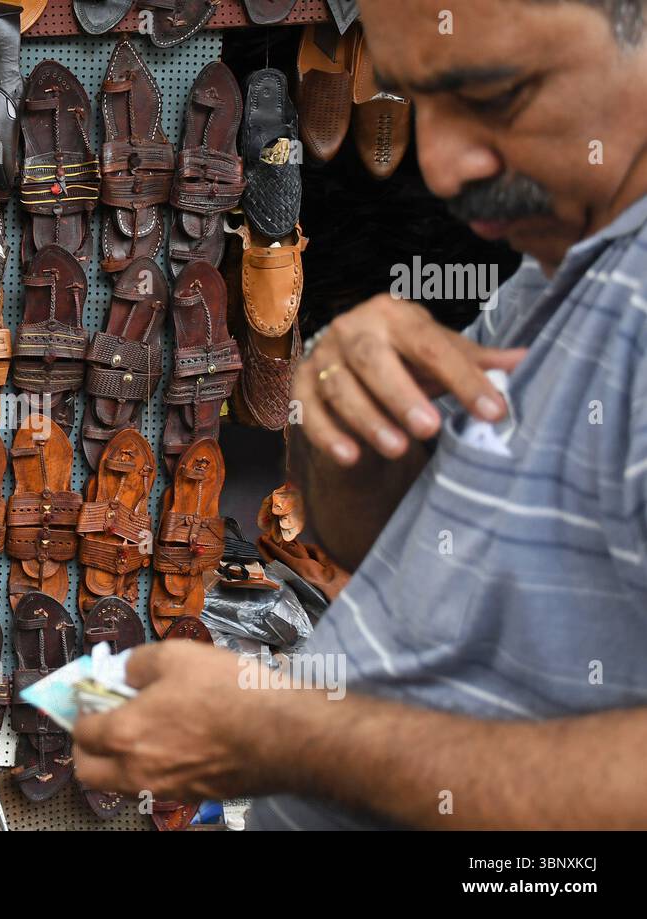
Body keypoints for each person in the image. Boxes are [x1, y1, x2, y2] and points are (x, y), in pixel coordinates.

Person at [73, 0, 647, 829]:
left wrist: (288, 736)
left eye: (495, 93)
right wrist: (337, 424)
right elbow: (383, 551)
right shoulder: (562, 268)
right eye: (418, 98)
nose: (442, 166)